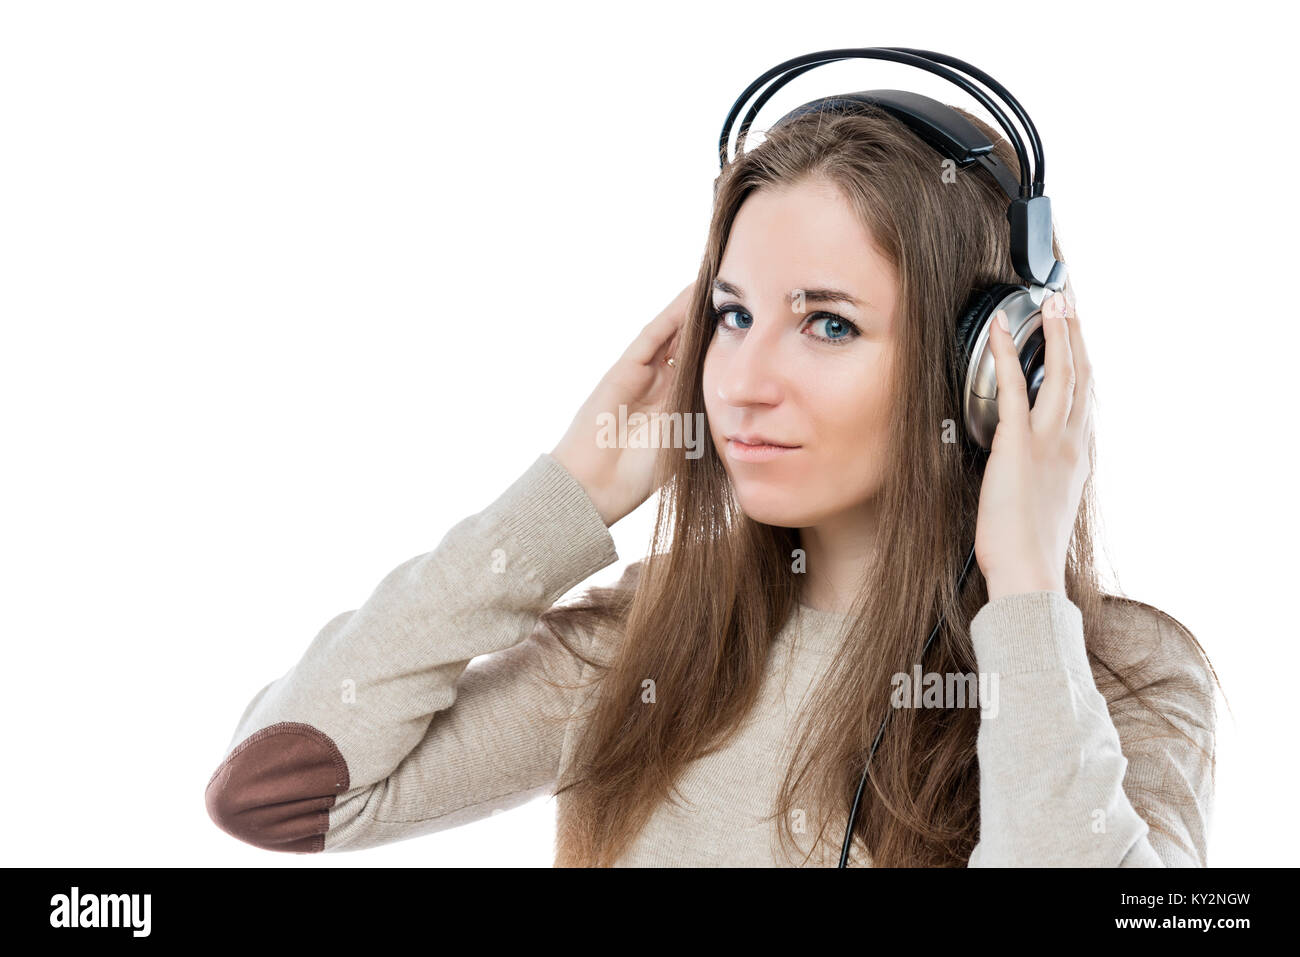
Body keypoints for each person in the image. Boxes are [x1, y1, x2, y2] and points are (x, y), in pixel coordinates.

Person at [205, 105, 1219, 867]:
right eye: (732, 316)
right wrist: (560, 500)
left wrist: (1026, 596)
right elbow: (273, 793)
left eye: (827, 323)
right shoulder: (649, 643)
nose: (740, 381)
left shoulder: (1123, 678)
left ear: (990, 373)